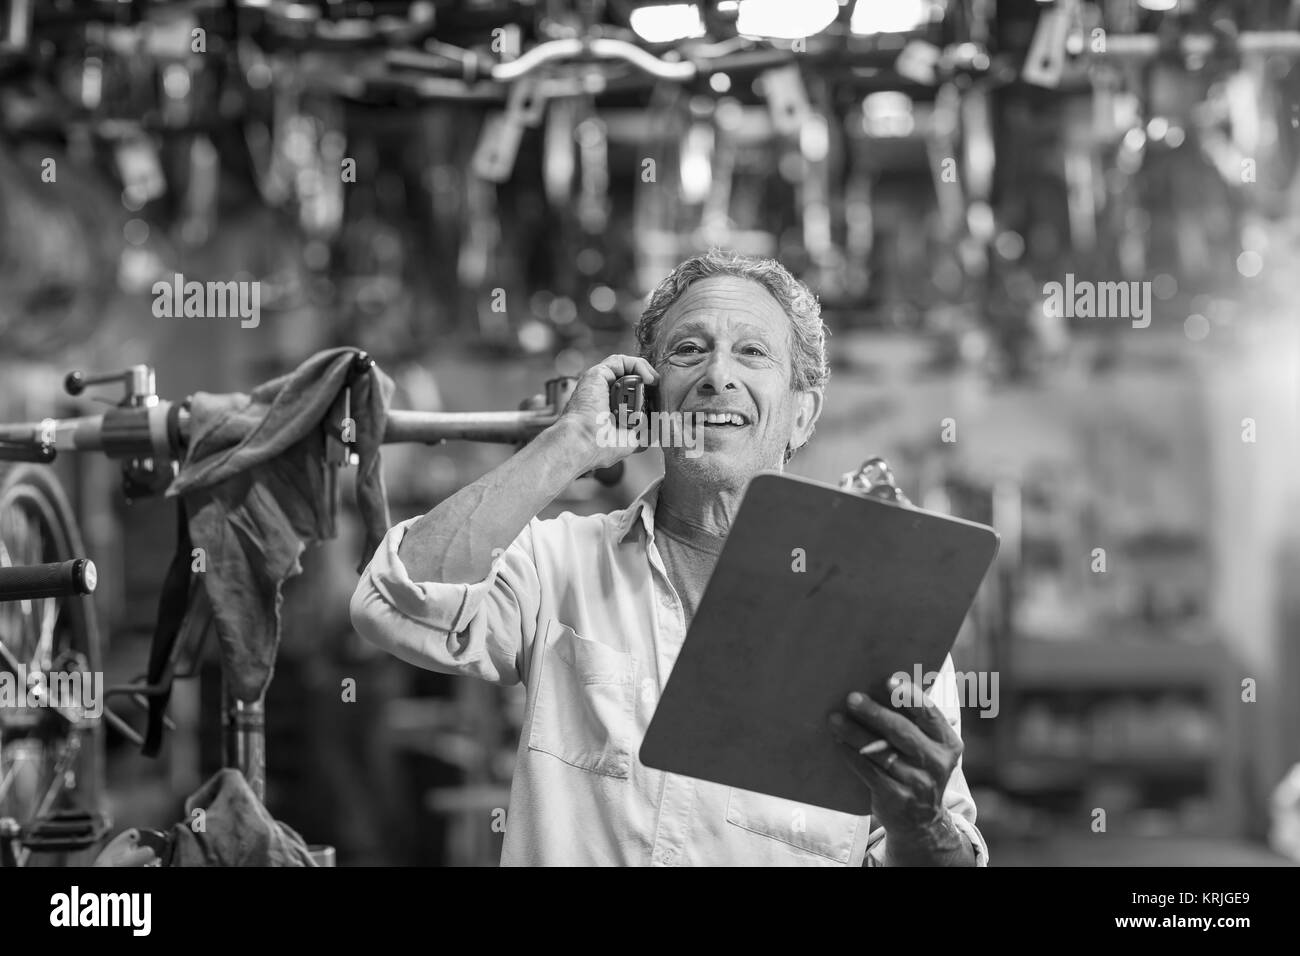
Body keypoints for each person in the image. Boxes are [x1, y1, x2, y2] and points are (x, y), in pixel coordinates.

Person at [351, 249, 988, 866]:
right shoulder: (558, 563)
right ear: (651, 398)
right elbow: (394, 604)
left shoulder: (881, 619)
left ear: (803, 414)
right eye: (688, 350)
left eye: (752, 352)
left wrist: (920, 824)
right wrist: (569, 443)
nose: (717, 376)